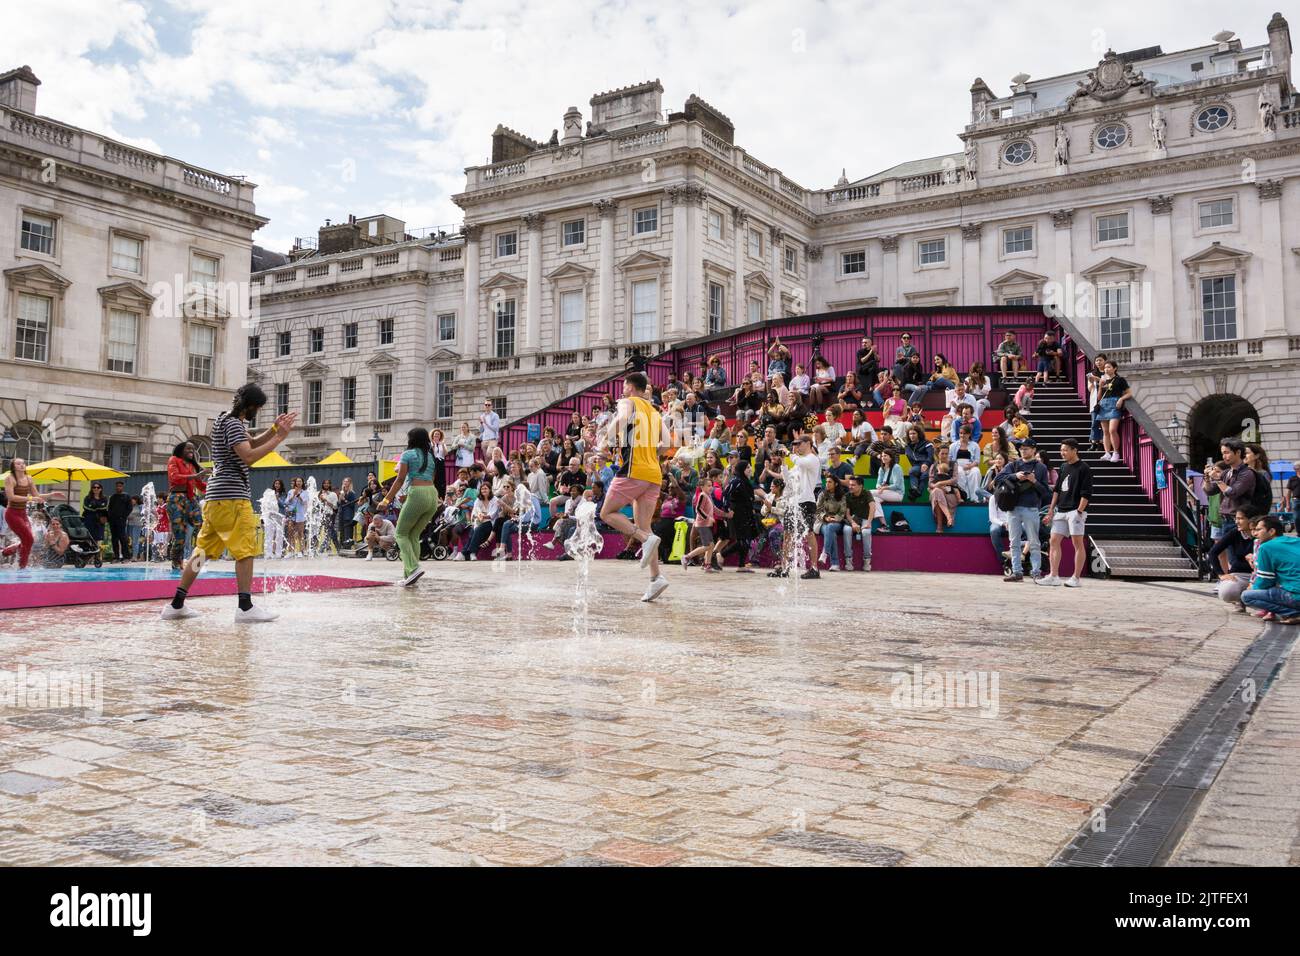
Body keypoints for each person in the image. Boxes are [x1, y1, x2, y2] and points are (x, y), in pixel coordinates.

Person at [161, 382, 296, 623]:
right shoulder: (234, 424)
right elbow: (250, 456)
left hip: (215, 499)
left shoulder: (225, 420)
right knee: (245, 550)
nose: (258, 412)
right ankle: (245, 606)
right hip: (232, 497)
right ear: (251, 406)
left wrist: (274, 428)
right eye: (258, 408)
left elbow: (251, 443)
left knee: (201, 553)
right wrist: (280, 438)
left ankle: (176, 604)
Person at [599, 371, 673, 602]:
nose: (622, 390)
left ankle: (643, 538)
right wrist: (652, 454)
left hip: (634, 470)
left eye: (623, 386)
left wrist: (606, 440)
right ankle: (656, 579)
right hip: (653, 474)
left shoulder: (627, 402)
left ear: (630, 387)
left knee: (607, 512)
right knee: (646, 528)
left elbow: (620, 420)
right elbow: (668, 444)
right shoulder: (654, 410)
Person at [375, 428, 440, 586]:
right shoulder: (430, 456)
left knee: (400, 534)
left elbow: (399, 479)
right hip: (432, 495)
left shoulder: (407, 454)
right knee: (413, 536)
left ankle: (413, 569)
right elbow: (430, 478)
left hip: (417, 494)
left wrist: (386, 500)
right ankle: (409, 576)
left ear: (412, 439)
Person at [1037, 438, 1092, 587]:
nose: (1062, 453)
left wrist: (1080, 511)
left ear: (1075, 450)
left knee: (1077, 543)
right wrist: (1050, 511)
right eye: (1061, 450)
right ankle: (1054, 576)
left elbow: (1086, 492)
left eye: (1065, 450)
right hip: (1060, 510)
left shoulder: (1084, 468)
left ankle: (1076, 578)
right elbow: (1057, 490)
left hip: (1075, 510)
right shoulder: (1063, 467)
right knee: (1053, 541)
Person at [998, 438, 1050, 582]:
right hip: (1013, 507)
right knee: (1013, 541)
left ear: (1034, 450)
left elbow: (1046, 492)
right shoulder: (1014, 464)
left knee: (1034, 542)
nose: (1023, 450)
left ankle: (1035, 572)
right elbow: (999, 478)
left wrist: (1034, 481)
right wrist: (1015, 476)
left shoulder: (1041, 468)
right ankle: (1017, 572)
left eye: (1026, 448)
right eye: (1021, 448)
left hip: (1031, 508)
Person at [1241, 516, 1300, 623]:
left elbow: (1265, 580)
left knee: (1246, 596)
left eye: (1259, 529)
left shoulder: (1266, 547)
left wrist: (1253, 587)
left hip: (1296, 596)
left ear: (1272, 531)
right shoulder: (1297, 541)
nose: (1255, 533)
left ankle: (1293, 613)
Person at [165, 441, 207, 570]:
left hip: (191, 498)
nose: (191, 451)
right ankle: (176, 562)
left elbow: (200, 485)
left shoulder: (192, 465)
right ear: (181, 450)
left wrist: (215, 487)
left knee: (201, 526)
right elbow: (175, 477)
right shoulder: (174, 460)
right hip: (176, 499)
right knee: (180, 534)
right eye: (188, 448)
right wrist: (195, 475)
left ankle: (197, 557)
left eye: (193, 449)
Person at [1207, 439, 1257, 539]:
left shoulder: (1247, 473)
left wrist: (1217, 479)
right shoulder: (1226, 472)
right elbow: (1210, 491)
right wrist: (1207, 479)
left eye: (1227, 452)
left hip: (1240, 521)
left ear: (1238, 452)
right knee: (1222, 552)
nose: (1224, 456)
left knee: (1237, 553)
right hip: (1225, 519)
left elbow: (1232, 493)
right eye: (1222, 453)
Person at [1, 459, 46, 568]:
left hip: (23, 514)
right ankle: (22, 567)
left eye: (23, 463)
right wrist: (31, 498)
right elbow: (11, 497)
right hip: (12, 514)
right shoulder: (10, 479)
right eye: (18, 463)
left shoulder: (29, 478)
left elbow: (37, 496)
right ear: (13, 466)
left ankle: (6, 552)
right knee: (29, 539)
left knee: (30, 540)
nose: (22, 465)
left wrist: (52, 494)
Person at [1211, 508, 1259, 607]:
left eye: (1241, 518)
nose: (1237, 522)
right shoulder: (1234, 533)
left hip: (1259, 575)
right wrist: (1221, 574)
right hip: (1239, 574)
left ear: (1251, 520)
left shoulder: (1262, 534)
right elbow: (1213, 552)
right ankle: (1240, 601)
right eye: (1236, 518)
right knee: (1226, 592)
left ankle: (1260, 604)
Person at [1096, 360, 1132, 462]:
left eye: (1109, 367)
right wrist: (1100, 386)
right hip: (1103, 405)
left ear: (1115, 368)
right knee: (1105, 431)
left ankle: (1116, 452)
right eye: (1105, 368)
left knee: (1112, 430)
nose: (1106, 369)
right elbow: (1099, 398)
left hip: (1114, 404)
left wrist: (1121, 399)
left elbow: (1129, 393)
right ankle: (1107, 453)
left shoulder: (1120, 380)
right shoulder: (1103, 380)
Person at [816, 477, 851, 572]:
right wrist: (825, 518)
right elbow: (817, 510)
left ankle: (825, 553)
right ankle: (835, 564)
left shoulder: (842, 496)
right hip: (823, 522)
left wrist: (835, 519)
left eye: (830, 482)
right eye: (826, 482)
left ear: (836, 484)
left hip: (837, 522)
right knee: (831, 533)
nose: (827, 484)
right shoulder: (822, 494)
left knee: (831, 527)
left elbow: (842, 512)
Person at [107, 480, 132, 562]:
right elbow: (109, 508)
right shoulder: (113, 497)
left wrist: (123, 516)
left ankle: (126, 557)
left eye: (120, 486)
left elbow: (129, 508)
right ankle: (116, 556)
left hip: (121, 520)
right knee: (114, 539)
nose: (118, 487)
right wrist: (109, 517)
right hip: (112, 521)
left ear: (122, 487)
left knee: (122, 538)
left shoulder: (126, 496)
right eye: (117, 486)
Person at [284, 477, 308, 555]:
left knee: (300, 533)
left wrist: (298, 495)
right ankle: (291, 551)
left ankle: (302, 550)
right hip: (291, 514)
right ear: (295, 483)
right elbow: (286, 502)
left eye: (300, 481)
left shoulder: (305, 492)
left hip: (300, 514)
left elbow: (304, 502)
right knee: (290, 533)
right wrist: (293, 495)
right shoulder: (291, 491)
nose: (298, 483)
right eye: (297, 481)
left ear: (302, 483)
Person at [82, 482, 109, 549]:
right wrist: (98, 507)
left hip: (99, 520)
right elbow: (85, 507)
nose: (96, 489)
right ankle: (88, 553)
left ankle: (95, 554)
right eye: (94, 487)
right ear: (92, 489)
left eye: (98, 487)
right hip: (89, 519)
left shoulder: (104, 498)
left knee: (96, 538)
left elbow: (104, 508)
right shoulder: (87, 498)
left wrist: (93, 507)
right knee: (88, 537)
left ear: (101, 489)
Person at [318, 479, 340, 553]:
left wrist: (325, 500)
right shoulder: (319, 493)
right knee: (329, 532)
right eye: (325, 483)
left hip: (329, 515)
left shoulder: (333, 494)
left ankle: (322, 548)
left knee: (329, 531)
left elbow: (335, 507)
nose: (326, 485)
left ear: (330, 485)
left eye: (328, 483)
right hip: (320, 515)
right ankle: (338, 548)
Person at [338, 477, 358, 547]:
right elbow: (338, 504)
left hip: (348, 515)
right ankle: (342, 546)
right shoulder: (342, 492)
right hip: (341, 514)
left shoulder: (352, 493)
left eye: (347, 481)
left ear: (350, 483)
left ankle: (348, 546)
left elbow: (352, 504)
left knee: (348, 531)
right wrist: (340, 499)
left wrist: (344, 499)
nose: (345, 483)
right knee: (342, 531)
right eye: (344, 481)